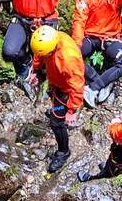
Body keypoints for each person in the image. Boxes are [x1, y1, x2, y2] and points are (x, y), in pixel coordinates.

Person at [29, 25, 85, 175]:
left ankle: (63, 152)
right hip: (56, 81)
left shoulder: (68, 59)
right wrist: (36, 71)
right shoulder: (48, 39)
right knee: (54, 106)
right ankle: (56, 110)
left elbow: (77, 86)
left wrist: (72, 110)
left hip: (66, 91)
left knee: (56, 122)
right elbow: (40, 55)